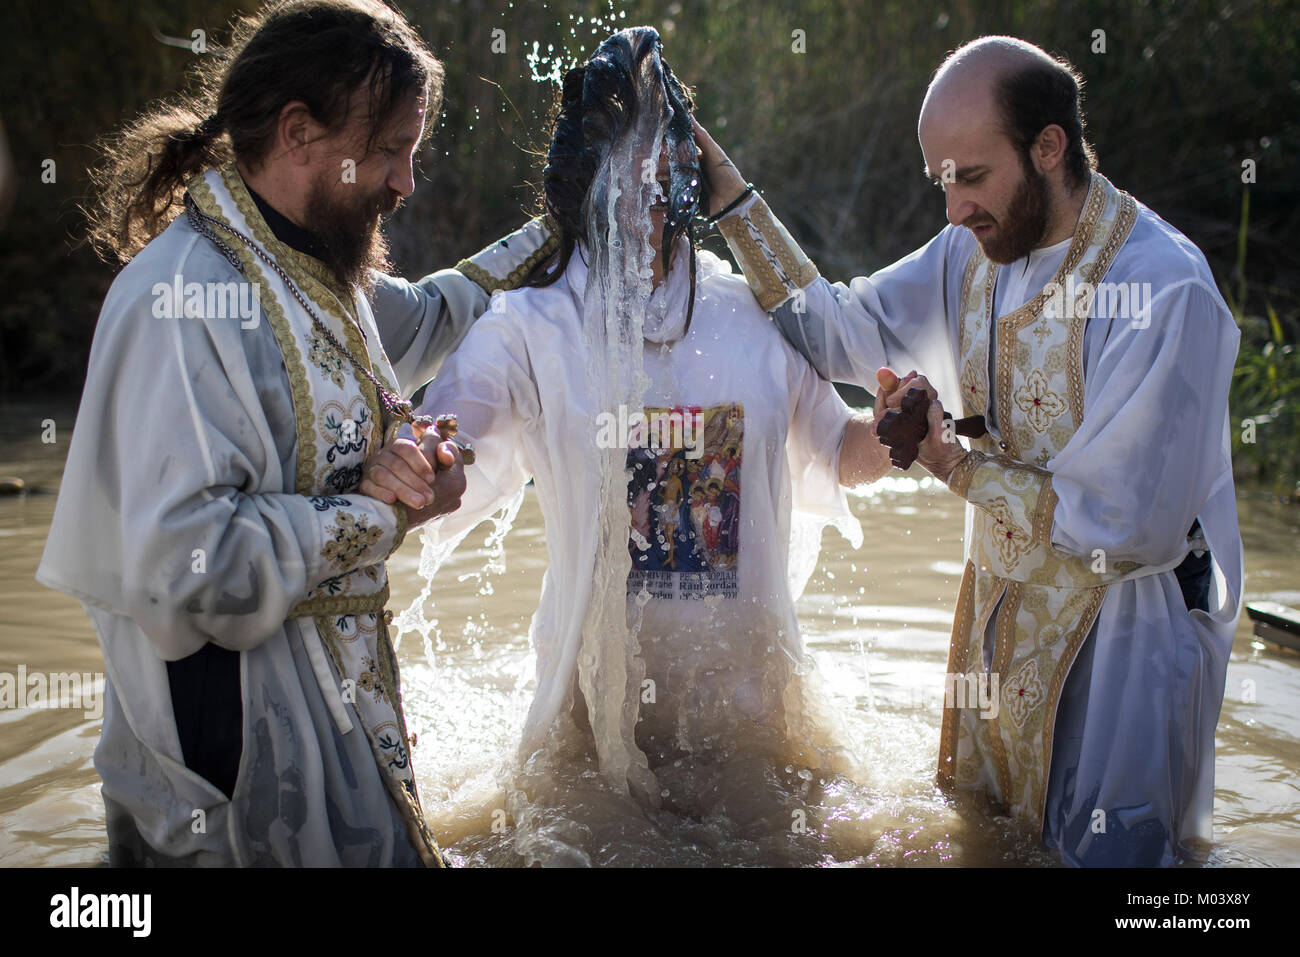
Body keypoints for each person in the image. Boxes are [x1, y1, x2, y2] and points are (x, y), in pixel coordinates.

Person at [693, 35, 1244, 866]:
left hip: (1120, 648)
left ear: (1049, 146)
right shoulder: (969, 252)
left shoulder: (1164, 289)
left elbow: (1128, 523)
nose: (953, 209)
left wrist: (953, 461)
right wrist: (733, 199)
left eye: (973, 177)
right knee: (984, 840)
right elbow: (839, 332)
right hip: (992, 618)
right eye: (942, 182)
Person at [36, 0, 551, 867]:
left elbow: (437, 315)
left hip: (335, 728)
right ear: (299, 132)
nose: (405, 182)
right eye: (389, 150)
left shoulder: (315, 269)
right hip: (228, 766)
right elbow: (187, 563)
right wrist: (385, 512)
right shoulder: (181, 299)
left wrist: (563, 221)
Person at [364, 26, 893, 864]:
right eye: (631, 175)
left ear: (692, 175)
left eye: (669, 169)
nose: (652, 196)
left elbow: (840, 452)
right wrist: (422, 462)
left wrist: (895, 430)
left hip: (753, 719)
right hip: (591, 735)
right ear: (588, 180)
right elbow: (453, 441)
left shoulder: (753, 314)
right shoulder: (527, 325)